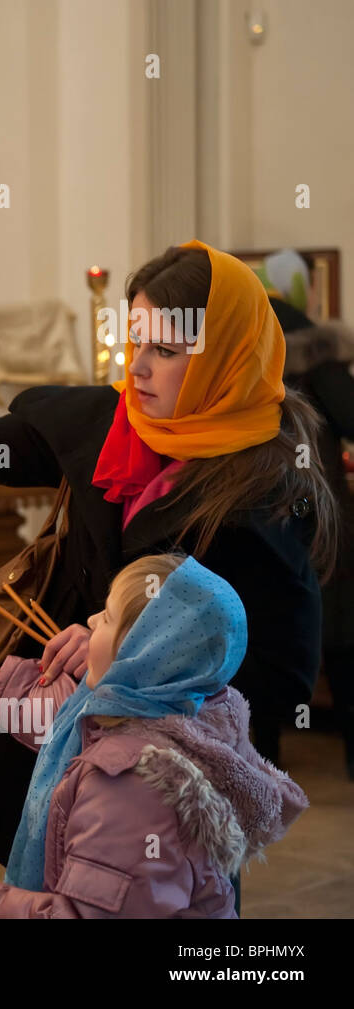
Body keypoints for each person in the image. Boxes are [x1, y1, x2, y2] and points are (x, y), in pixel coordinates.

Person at [0, 240, 336, 874]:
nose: (137, 368)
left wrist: (130, 653)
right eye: (135, 341)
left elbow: (280, 673)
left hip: (166, 789)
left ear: (222, 356)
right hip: (58, 754)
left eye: (165, 352)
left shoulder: (265, 485)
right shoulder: (105, 421)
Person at [0, 553, 307, 917]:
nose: (90, 621)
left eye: (107, 617)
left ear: (139, 654)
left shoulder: (128, 785)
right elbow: (84, 726)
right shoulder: (192, 711)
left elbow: (94, 913)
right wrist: (12, 688)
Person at [262, 251, 354, 779]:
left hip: (265, 504)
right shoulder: (318, 351)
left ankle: (263, 756)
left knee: (267, 627)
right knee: (339, 630)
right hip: (317, 506)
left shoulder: (248, 342)